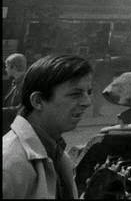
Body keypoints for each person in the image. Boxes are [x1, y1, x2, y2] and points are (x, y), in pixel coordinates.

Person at [2, 54, 93, 199]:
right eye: (75, 94)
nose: (87, 102)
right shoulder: (10, 165)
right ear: (38, 101)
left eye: (88, 92)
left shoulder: (56, 152)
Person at [3, 53, 29, 134]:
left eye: (6, 66)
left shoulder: (24, 84)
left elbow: (22, 108)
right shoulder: (16, 82)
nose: (5, 69)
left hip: (16, 129)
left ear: (13, 67)